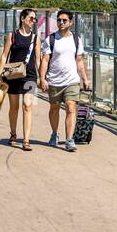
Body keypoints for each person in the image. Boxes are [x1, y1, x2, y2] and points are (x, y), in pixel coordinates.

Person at [39, 10, 90, 151]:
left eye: (64, 20)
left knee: (71, 107)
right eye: (59, 20)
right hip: (54, 80)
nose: (61, 23)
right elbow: (45, 60)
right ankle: (54, 134)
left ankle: (69, 140)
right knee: (54, 109)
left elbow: (79, 61)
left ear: (70, 22)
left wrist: (85, 78)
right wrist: (42, 78)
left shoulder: (76, 39)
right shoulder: (50, 39)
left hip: (72, 80)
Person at [0, 8, 42, 151]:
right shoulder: (13, 36)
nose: (33, 21)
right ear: (23, 19)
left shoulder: (36, 38)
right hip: (13, 75)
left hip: (30, 76)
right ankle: (13, 134)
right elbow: (4, 56)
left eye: (35, 19)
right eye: (31, 18)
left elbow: (38, 60)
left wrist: (42, 78)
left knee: (28, 105)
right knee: (14, 107)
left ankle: (26, 140)